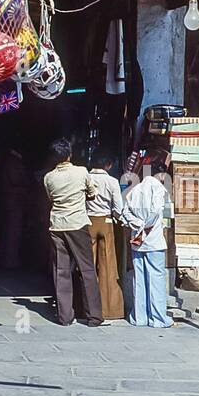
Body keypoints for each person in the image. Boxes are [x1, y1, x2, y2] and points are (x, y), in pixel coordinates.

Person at [43, 139, 103, 327]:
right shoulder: (82, 172)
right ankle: (94, 316)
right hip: (77, 223)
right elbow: (92, 193)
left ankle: (65, 316)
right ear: (70, 154)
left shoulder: (49, 177)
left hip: (57, 225)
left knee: (61, 271)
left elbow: (50, 198)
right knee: (87, 269)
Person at [122, 158, 173, 328]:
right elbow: (156, 212)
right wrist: (144, 228)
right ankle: (158, 318)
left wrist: (137, 225)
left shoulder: (135, 189)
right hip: (153, 240)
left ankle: (139, 317)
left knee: (139, 279)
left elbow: (125, 212)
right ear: (161, 174)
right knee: (156, 279)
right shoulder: (158, 188)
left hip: (137, 240)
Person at [87, 150, 125, 322]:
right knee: (108, 267)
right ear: (108, 165)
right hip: (106, 222)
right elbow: (118, 208)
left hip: (88, 221)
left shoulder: (86, 178)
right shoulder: (112, 181)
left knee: (88, 266)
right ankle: (109, 309)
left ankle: (87, 307)